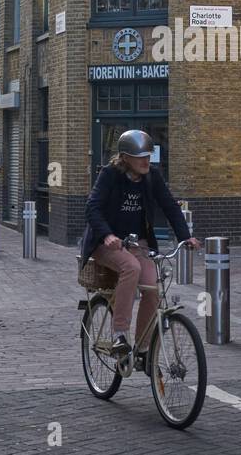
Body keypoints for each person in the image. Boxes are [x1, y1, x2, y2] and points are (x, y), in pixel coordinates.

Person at [81, 131, 199, 370]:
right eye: (140, 157)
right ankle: (120, 335)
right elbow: (92, 207)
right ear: (125, 158)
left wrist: (186, 237)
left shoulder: (151, 177)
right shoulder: (109, 175)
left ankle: (143, 349)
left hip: (138, 244)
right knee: (130, 268)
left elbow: (169, 206)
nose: (146, 161)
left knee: (153, 290)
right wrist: (107, 235)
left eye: (148, 155)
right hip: (106, 244)